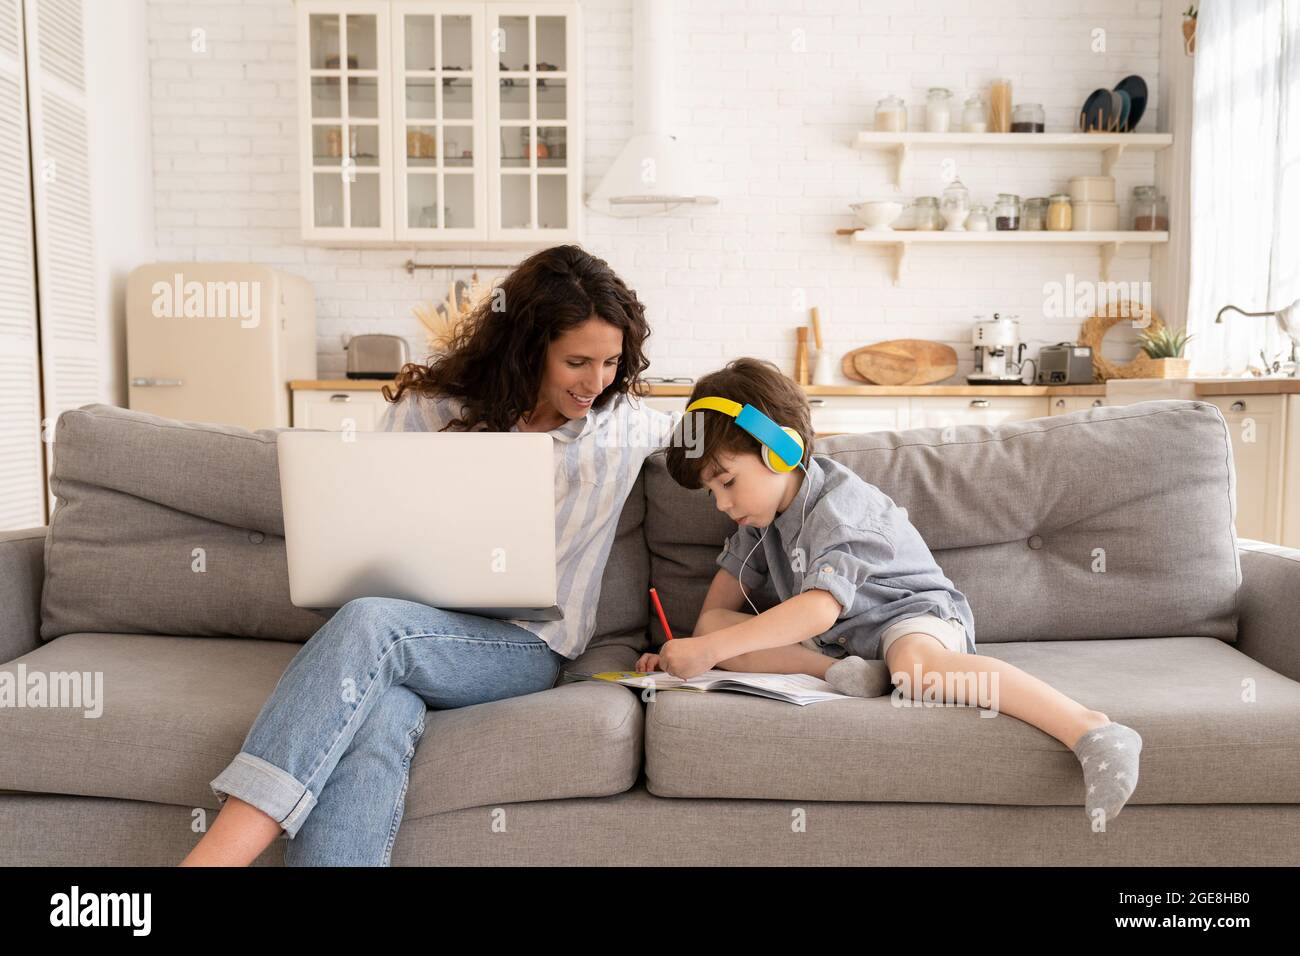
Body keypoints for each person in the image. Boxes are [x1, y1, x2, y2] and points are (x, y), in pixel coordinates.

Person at [181, 245, 675, 865]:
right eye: (577, 361)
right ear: (527, 348)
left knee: (371, 626)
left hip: (523, 648)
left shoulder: (626, 426)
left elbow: (726, 431)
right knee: (379, 713)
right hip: (413, 629)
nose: (596, 382)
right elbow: (368, 518)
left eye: (610, 362)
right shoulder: (434, 409)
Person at [641, 357, 1143, 830]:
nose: (723, 504)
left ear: (781, 450)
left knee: (914, 669)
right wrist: (684, 651)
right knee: (714, 631)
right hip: (842, 646)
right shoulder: (760, 517)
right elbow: (716, 615)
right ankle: (846, 676)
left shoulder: (841, 508)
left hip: (911, 617)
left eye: (727, 482)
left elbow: (819, 609)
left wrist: (711, 651)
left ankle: (1090, 729)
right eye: (713, 493)